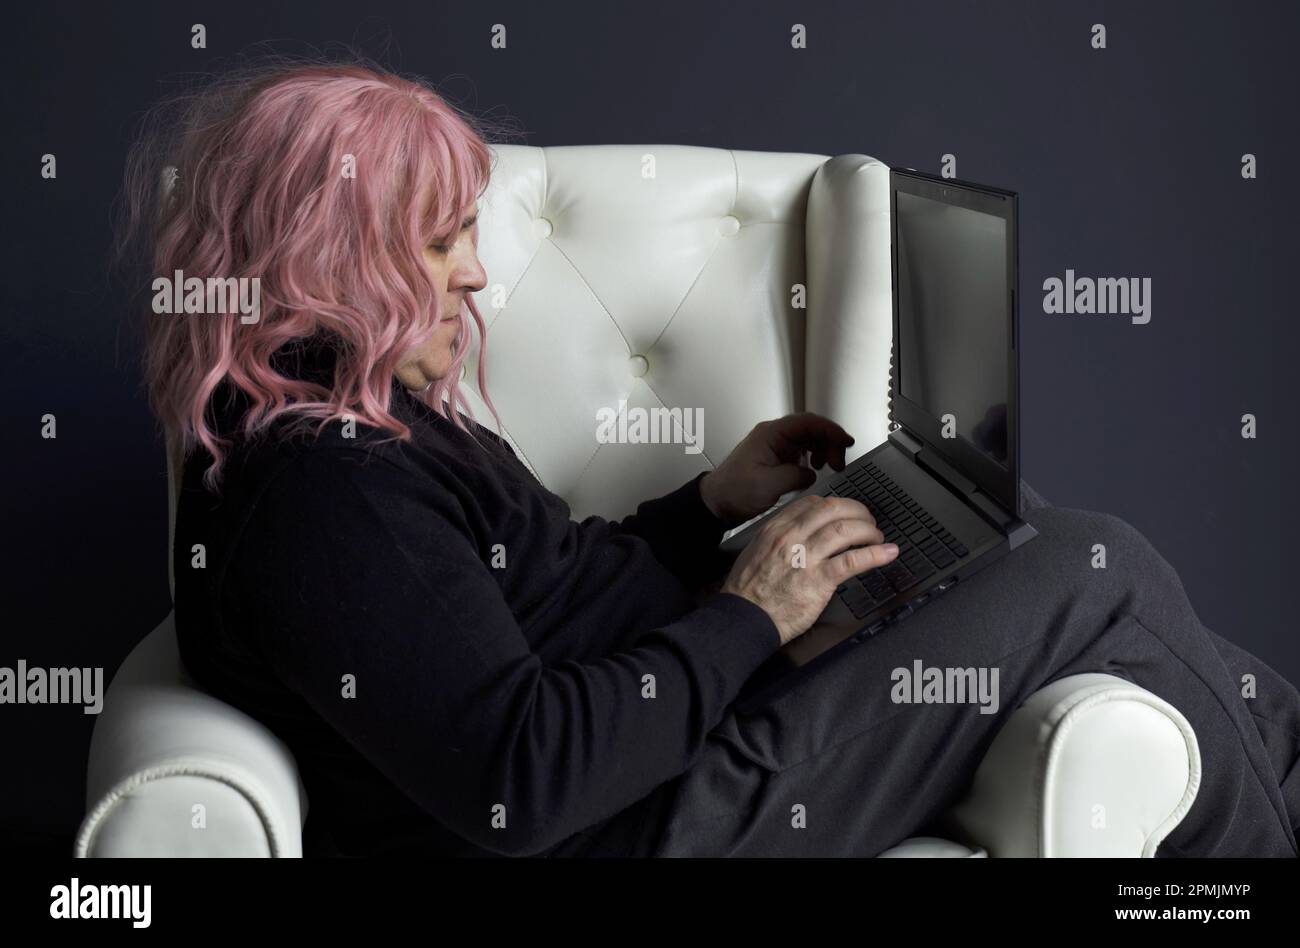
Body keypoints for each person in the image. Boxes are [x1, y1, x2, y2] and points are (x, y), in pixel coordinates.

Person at [124, 59, 1300, 857]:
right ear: (329, 261)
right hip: (649, 824)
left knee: (1000, 527)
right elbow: (520, 781)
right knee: (1092, 563)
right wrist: (753, 610)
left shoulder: (366, 421)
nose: (476, 277)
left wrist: (704, 508)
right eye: (437, 245)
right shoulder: (328, 496)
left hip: (666, 743)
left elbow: (533, 601)